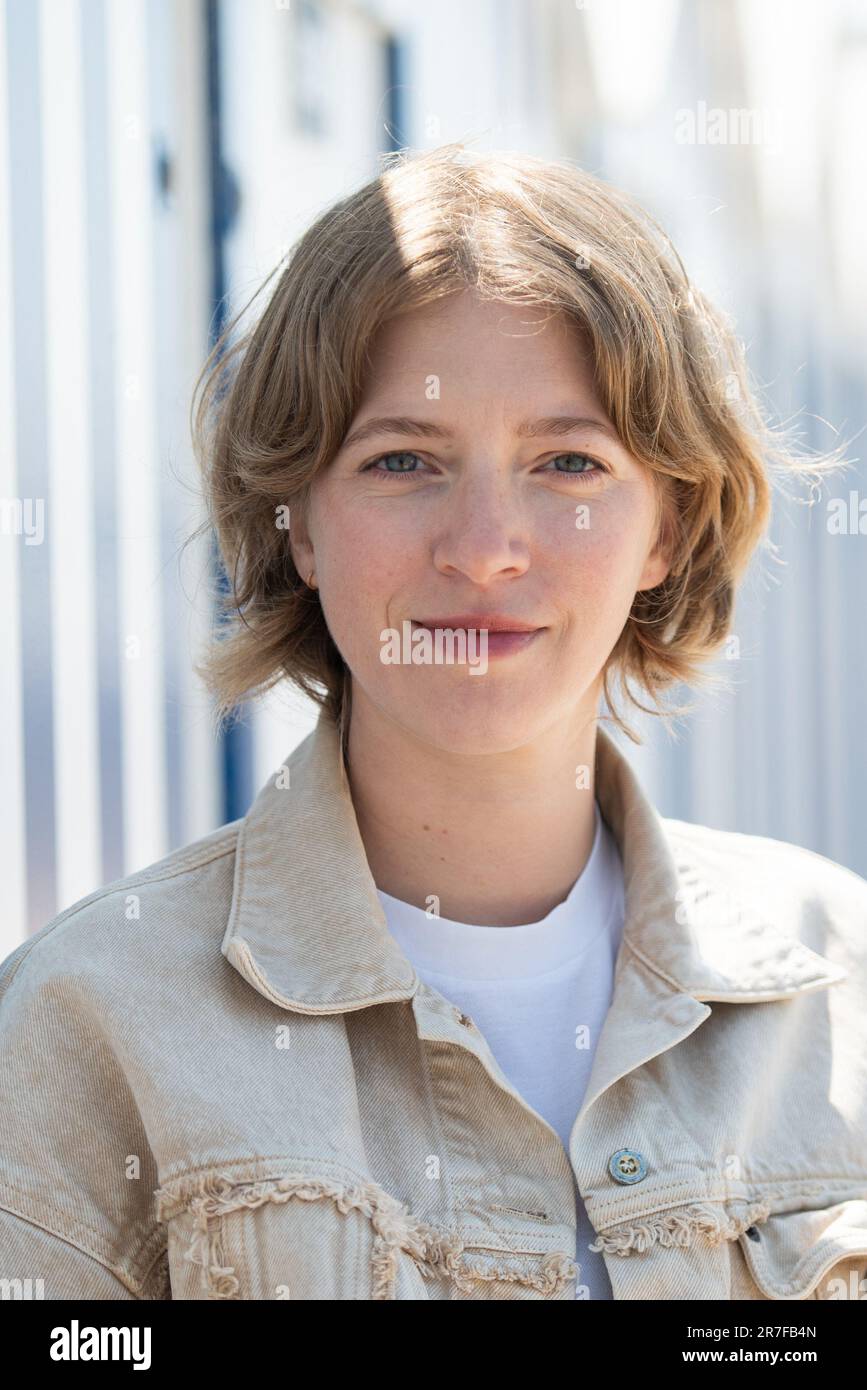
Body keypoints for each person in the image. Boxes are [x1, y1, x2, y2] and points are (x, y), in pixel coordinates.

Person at [2, 143, 866, 1302]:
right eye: (403, 460)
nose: (484, 547)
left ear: (668, 525)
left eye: (568, 462)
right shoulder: (88, 1020)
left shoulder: (840, 982)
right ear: (297, 523)